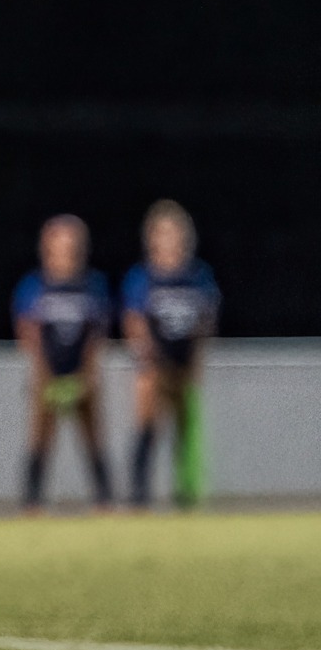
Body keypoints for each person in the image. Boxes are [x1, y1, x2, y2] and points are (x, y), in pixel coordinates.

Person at [10, 214, 113, 512]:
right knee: (40, 435)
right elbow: (27, 333)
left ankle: (104, 499)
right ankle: (31, 501)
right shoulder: (33, 286)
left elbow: (97, 333)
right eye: (60, 245)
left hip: (81, 373)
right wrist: (44, 374)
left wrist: (88, 374)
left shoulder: (93, 285)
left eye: (73, 245)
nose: (67, 252)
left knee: (94, 435)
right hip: (48, 374)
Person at [122, 200, 219, 509]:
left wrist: (196, 358)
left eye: (175, 234)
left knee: (186, 429)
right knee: (148, 425)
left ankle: (187, 493)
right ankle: (139, 494)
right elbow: (134, 322)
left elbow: (207, 319)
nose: (170, 241)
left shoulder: (199, 276)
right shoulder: (142, 277)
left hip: (185, 363)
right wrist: (151, 358)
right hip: (153, 365)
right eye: (163, 234)